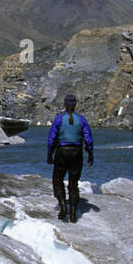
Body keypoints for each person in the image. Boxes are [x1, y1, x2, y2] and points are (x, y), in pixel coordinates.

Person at [46, 93, 93, 222]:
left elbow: (51, 138)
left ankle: (62, 208)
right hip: (77, 153)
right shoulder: (81, 119)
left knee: (57, 180)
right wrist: (90, 154)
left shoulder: (59, 119)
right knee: (73, 183)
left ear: (65, 105)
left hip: (62, 152)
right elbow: (88, 138)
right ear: (75, 104)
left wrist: (50, 154)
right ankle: (73, 212)